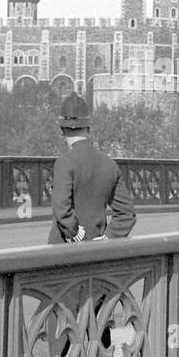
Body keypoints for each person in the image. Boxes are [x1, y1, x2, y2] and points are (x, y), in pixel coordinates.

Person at [48, 94, 136, 244]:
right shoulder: (109, 164)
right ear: (88, 128)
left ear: (62, 130)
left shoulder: (64, 163)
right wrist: (108, 238)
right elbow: (127, 214)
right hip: (98, 252)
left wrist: (75, 233)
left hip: (64, 252)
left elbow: (61, 209)